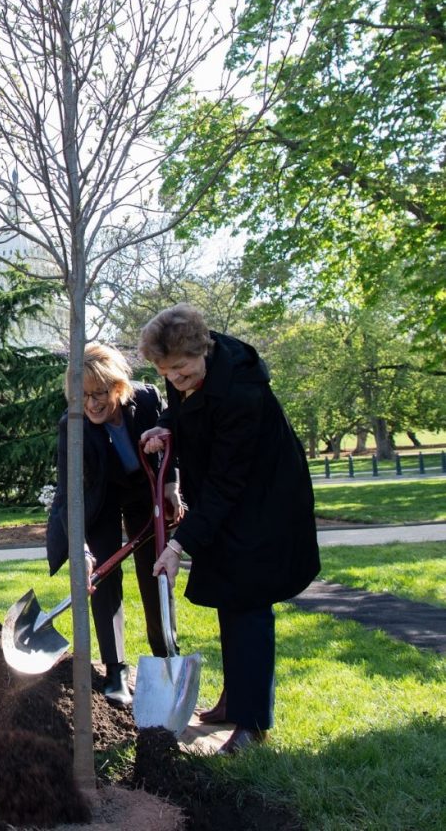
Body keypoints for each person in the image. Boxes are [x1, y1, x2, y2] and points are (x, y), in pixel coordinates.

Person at [138, 304, 320, 754]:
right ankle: (235, 699)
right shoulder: (182, 365)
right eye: (167, 374)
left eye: (181, 371)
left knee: (249, 601)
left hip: (264, 502)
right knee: (228, 595)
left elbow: (226, 482)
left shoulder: (241, 391)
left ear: (203, 349)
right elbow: (181, 413)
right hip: (227, 500)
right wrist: (163, 426)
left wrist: (180, 544)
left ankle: (253, 724)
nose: (175, 381)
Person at [45, 343, 181, 708]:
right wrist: (80, 548)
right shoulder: (70, 425)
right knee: (103, 579)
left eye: (99, 393)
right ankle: (115, 669)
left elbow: (174, 445)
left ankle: (166, 655)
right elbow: (68, 489)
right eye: (83, 396)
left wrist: (171, 487)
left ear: (118, 388)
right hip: (100, 499)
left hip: (144, 492)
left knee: (156, 573)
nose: (92, 404)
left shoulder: (149, 400)